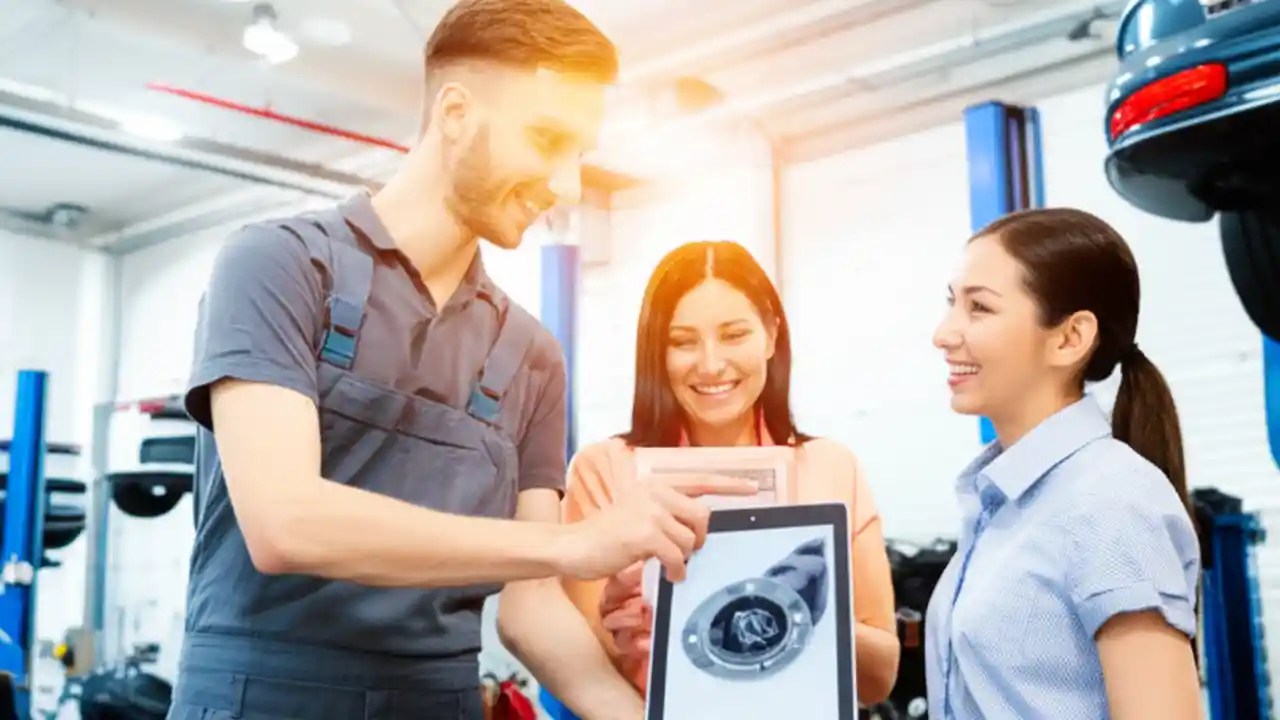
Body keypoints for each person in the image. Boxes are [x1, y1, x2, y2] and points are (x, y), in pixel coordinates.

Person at [169, 2, 753, 719]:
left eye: (580, 153)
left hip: (435, 701)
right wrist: (573, 545)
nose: (567, 186)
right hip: (258, 698)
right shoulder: (280, 266)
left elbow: (532, 604)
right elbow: (286, 523)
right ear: (454, 113)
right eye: (547, 139)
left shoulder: (531, 354)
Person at [559, 240, 902, 708]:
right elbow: (586, 672)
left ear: (772, 336)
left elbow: (879, 679)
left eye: (734, 334)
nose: (711, 364)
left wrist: (796, 613)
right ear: (657, 352)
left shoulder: (831, 468)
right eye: (682, 342)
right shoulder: (604, 472)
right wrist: (621, 636)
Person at [925, 208, 1203, 719]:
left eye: (979, 308)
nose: (944, 334)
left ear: (1070, 338)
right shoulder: (1003, 502)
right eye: (952, 303)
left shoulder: (1110, 501)